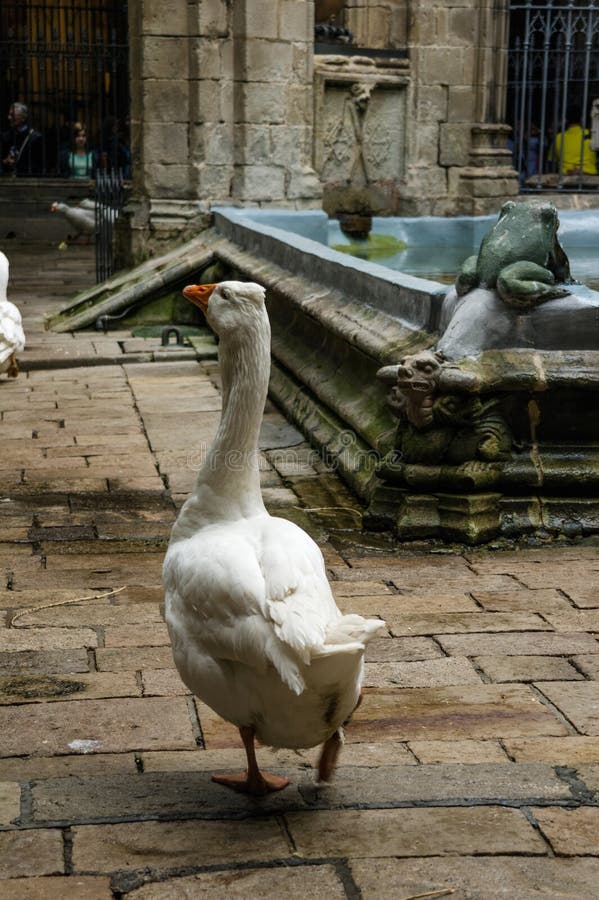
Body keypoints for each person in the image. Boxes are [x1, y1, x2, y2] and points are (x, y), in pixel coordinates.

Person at [550, 104, 597, 176]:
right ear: (582, 118)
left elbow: (551, 160)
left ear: (566, 119)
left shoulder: (559, 137)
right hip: (588, 176)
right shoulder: (592, 136)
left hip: (565, 177)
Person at [1, 102, 44, 176]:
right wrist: (6, 161)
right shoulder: (5, 136)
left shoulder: (35, 138)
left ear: (23, 118)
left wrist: (18, 164)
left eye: (12, 115)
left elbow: (39, 165)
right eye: (9, 115)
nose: (9, 118)